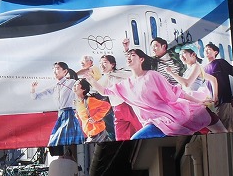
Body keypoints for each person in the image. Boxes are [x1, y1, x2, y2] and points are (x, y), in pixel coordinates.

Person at [87, 48, 223, 139]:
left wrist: (198, 102)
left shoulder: (152, 75)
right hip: (153, 123)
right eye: (127, 56)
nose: (129, 57)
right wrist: (92, 80)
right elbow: (105, 91)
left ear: (141, 59)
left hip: (169, 117)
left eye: (132, 55)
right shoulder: (125, 84)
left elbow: (176, 92)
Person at [32, 62, 85, 145]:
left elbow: (83, 87)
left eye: (57, 68)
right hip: (61, 114)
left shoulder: (71, 82)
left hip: (69, 114)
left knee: (59, 140)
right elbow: (36, 96)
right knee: (60, 140)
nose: (54, 71)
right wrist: (33, 89)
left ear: (65, 71)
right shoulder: (55, 86)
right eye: (53, 69)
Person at [96, 54, 139, 140]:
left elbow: (133, 77)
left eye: (104, 62)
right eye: (100, 63)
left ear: (112, 64)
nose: (101, 65)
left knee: (139, 129)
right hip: (116, 108)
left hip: (128, 105)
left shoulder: (121, 73)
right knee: (120, 136)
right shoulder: (104, 78)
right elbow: (96, 88)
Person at [203, 42, 233, 131]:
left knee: (224, 124)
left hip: (223, 98)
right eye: (205, 50)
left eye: (209, 50)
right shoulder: (204, 68)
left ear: (215, 52)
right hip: (214, 101)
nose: (206, 51)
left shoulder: (220, 62)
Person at [72, 78, 113, 142]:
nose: (74, 85)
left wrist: (95, 118)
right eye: (74, 84)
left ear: (84, 89)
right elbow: (83, 111)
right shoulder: (77, 102)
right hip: (91, 132)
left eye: (77, 84)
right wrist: (77, 114)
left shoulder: (90, 101)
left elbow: (106, 105)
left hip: (97, 131)